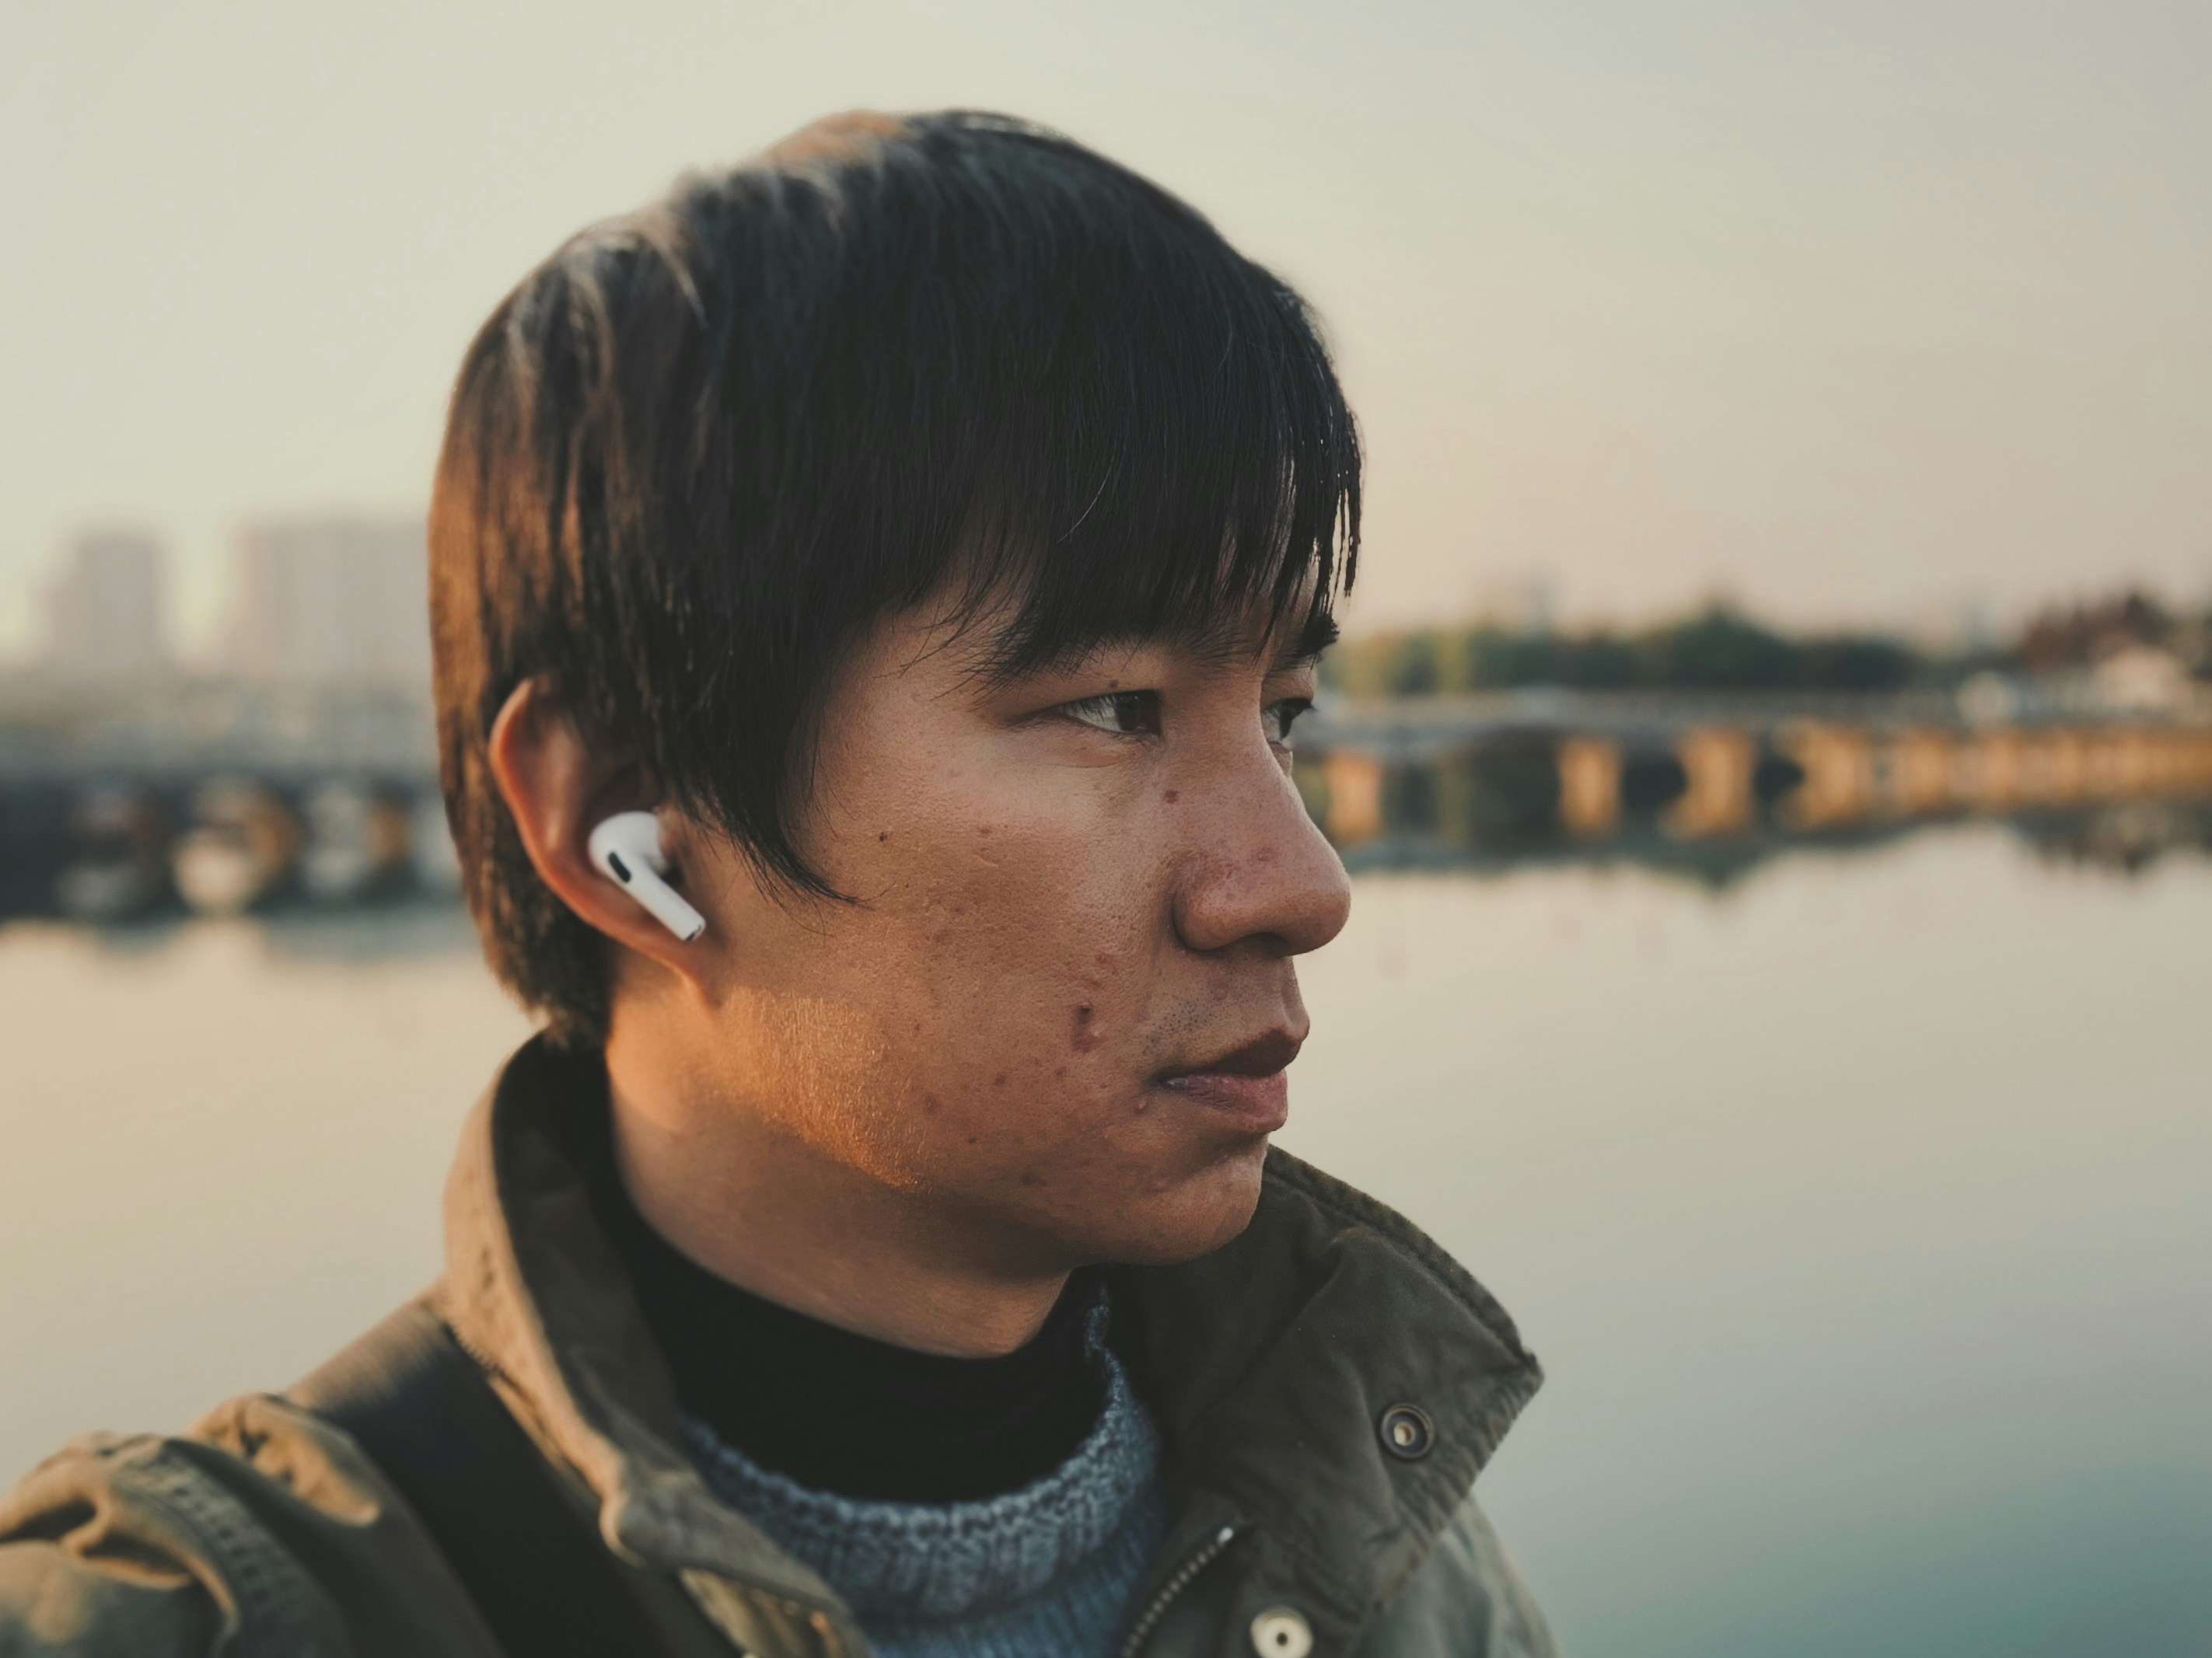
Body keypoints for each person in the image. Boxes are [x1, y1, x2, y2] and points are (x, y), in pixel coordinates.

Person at [0, 110, 1555, 1657]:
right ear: (625, 814)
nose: (1298, 881)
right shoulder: (220, 1616)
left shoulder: (1367, 1547)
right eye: (1107, 704)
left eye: (1284, 714)